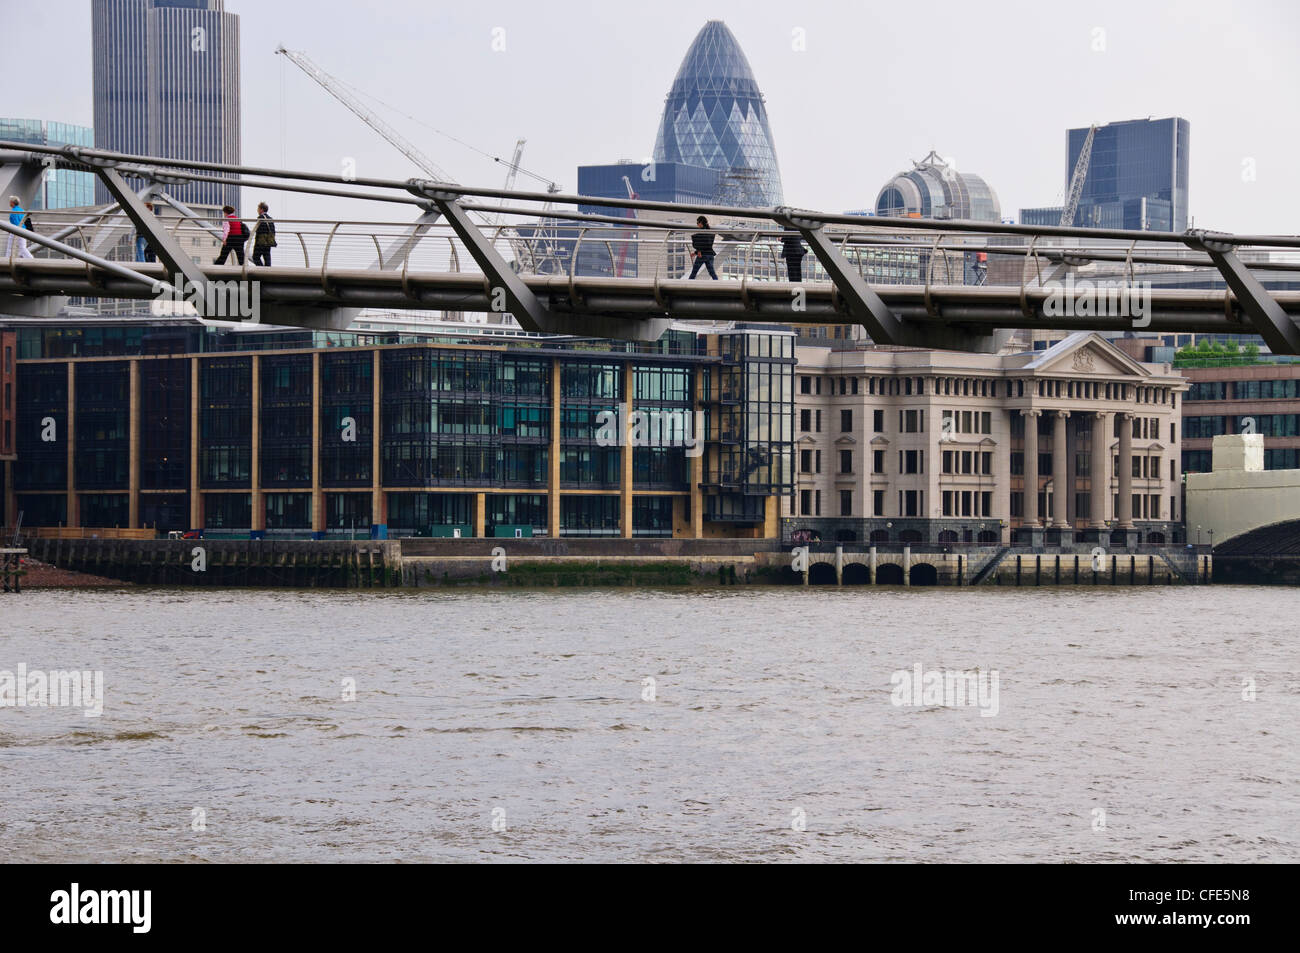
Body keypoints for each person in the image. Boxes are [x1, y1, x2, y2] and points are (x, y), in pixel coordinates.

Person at [251, 202, 276, 266]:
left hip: (261, 241)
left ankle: (261, 270)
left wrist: (256, 241)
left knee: (255, 257)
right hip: (269, 241)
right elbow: (273, 230)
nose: (257, 210)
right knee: (267, 257)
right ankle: (267, 272)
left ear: (261, 209)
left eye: (258, 208)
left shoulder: (261, 218)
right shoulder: (270, 219)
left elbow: (259, 231)